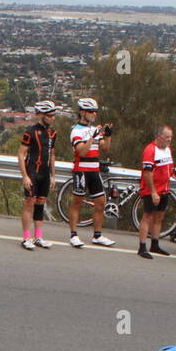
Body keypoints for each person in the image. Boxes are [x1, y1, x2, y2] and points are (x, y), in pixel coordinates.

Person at [67, 97, 116, 248]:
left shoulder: (95, 129)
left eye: (95, 111)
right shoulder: (76, 131)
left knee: (101, 203)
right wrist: (92, 137)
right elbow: (81, 151)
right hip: (81, 170)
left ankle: (97, 235)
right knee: (77, 203)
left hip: (94, 170)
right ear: (82, 112)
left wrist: (107, 136)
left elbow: (105, 149)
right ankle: (73, 235)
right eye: (90, 111)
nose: (94, 114)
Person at [16, 101, 57, 249]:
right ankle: (26, 237)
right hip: (32, 171)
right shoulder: (30, 131)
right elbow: (21, 154)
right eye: (49, 115)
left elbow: (52, 155)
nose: (52, 118)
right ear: (41, 115)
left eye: (53, 115)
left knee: (40, 204)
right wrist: (25, 176)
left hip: (45, 174)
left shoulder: (53, 133)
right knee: (29, 204)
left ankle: (38, 237)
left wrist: (53, 175)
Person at [137, 125, 176, 259]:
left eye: (170, 137)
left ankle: (155, 244)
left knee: (159, 217)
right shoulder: (150, 150)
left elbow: (169, 166)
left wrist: (174, 173)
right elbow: (147, 173)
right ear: (159, 136)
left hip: (165, 189)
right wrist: (153, 192)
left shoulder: (167, 150)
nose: (169, 140)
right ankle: (142, 247)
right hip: (151, 190)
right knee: (147, 217)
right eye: (167, 137)